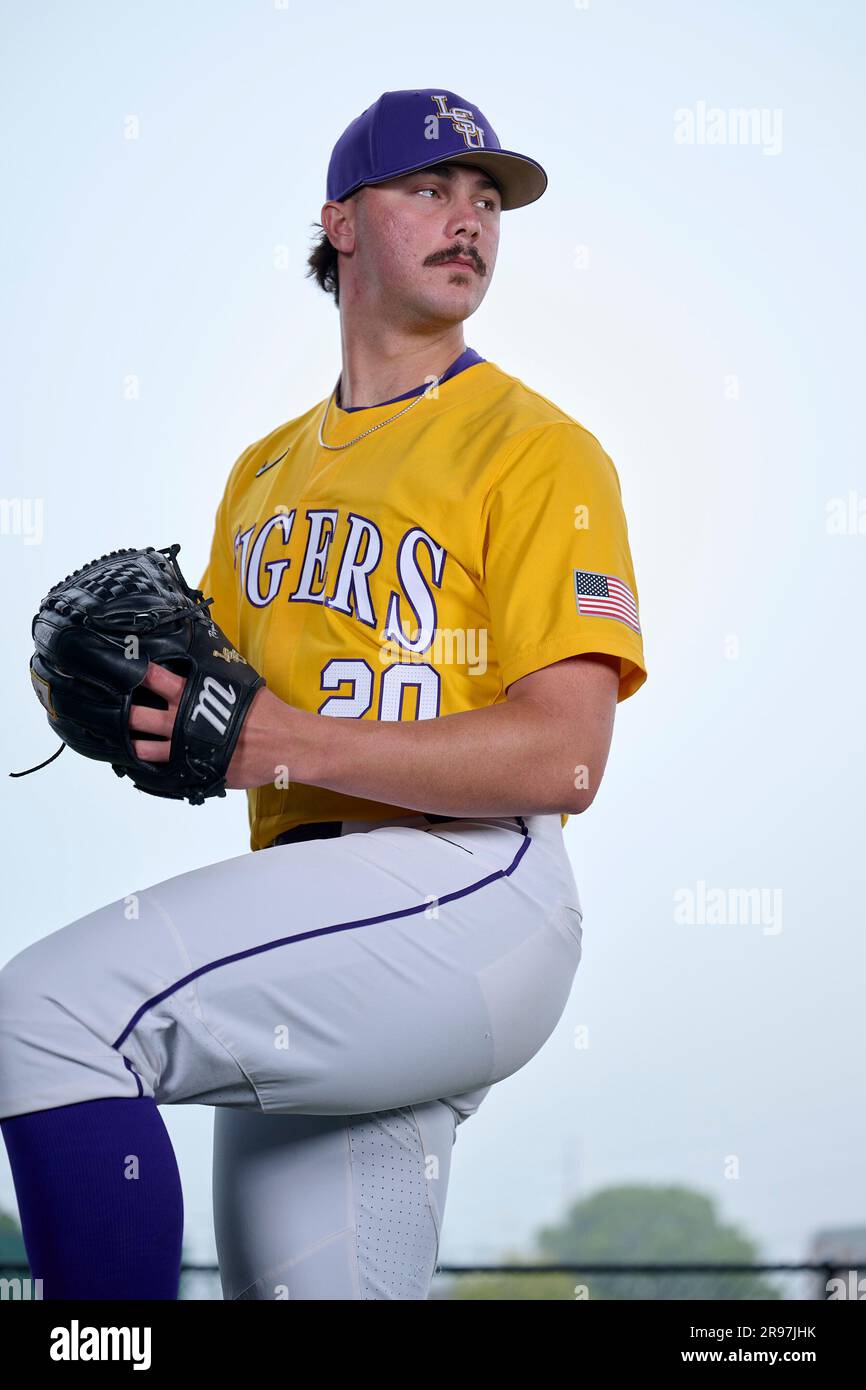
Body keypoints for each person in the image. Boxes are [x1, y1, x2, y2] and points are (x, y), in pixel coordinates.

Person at [0, 88, 647, 1300]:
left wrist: (268, 737)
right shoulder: (260, 472)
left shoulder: (535, 446)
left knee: (45, 1013)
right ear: (339, 222)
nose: (470, 219)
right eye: (429, 188)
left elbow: (565, 756)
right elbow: (220, 730)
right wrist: (125, 708)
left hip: (466, 884)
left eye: (486, 197)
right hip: (318, 933)